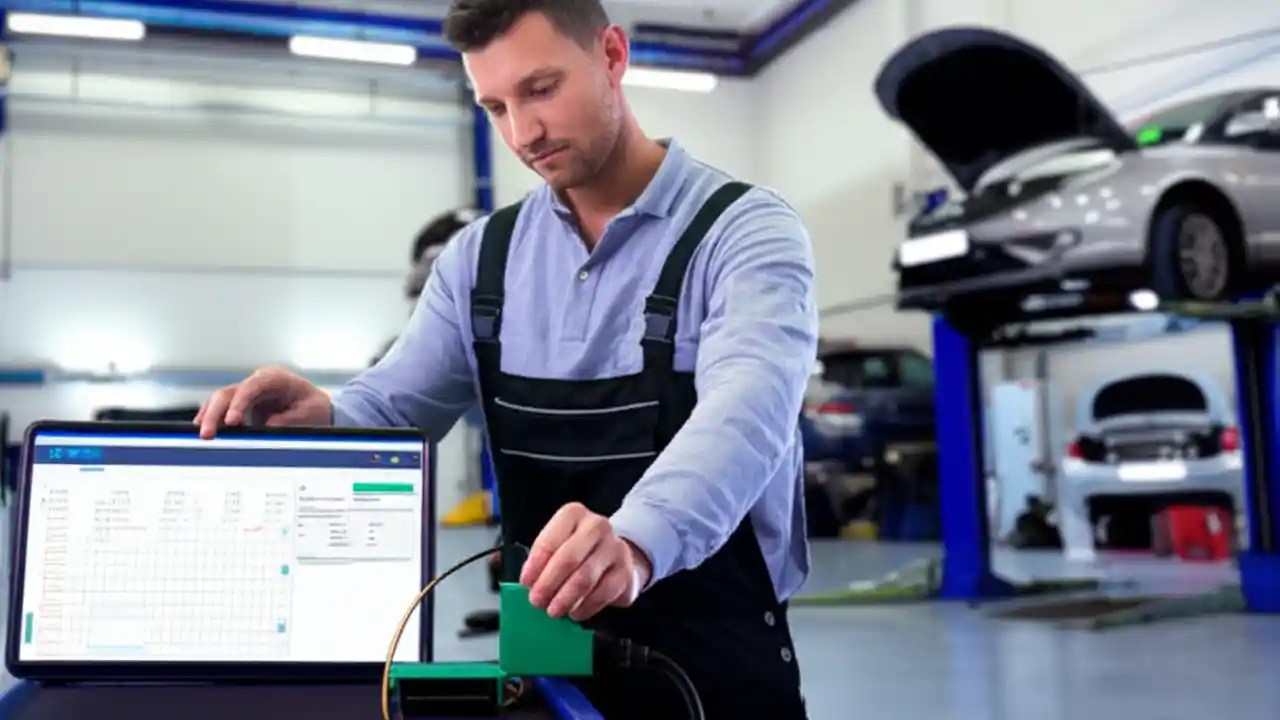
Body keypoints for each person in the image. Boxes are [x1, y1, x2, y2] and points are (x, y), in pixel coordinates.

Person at [194, 1, 817, 717]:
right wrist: (328, 418)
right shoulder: (478, 262)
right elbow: (396, 408)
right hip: (542, 649)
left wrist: (636, 541)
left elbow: (746, 413)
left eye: (540, 89)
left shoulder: (745, 233)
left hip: (714, 659)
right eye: (494, 106)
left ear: (612, 55)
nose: (523, 133)